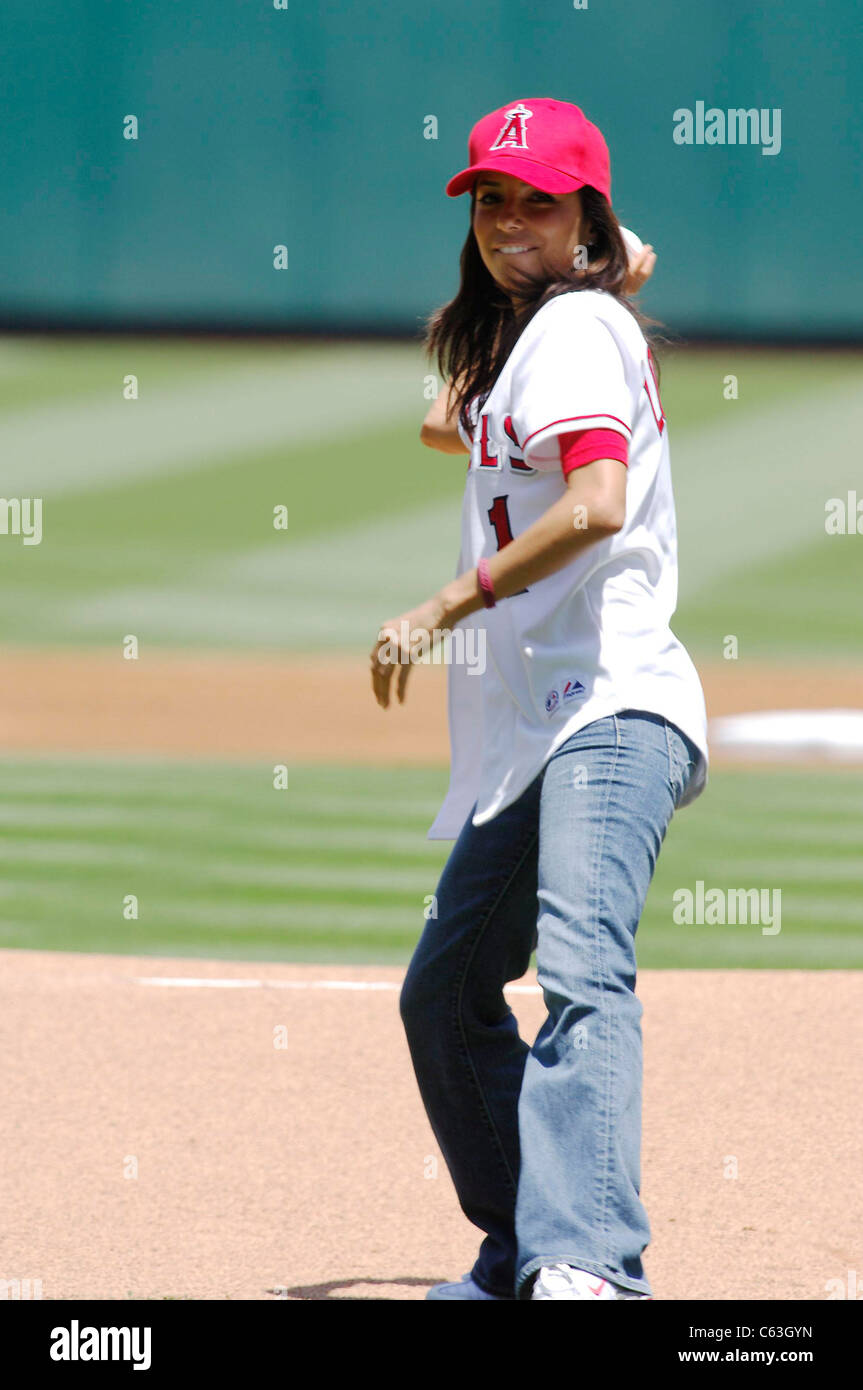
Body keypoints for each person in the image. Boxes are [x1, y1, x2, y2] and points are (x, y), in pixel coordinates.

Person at [369, 97, 708, 1301]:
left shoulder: (569, 335)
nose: (508, 220)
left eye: (538, 200)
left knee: (577, 964)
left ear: (585, 211)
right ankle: (524, 1245)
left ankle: (590, 1264)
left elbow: (595, 502)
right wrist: (585, 274)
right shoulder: (549, 335)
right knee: (448, 991)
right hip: (538, 733)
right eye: (490, 202)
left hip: (612, 707)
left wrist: (441, 606)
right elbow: (437, 421)